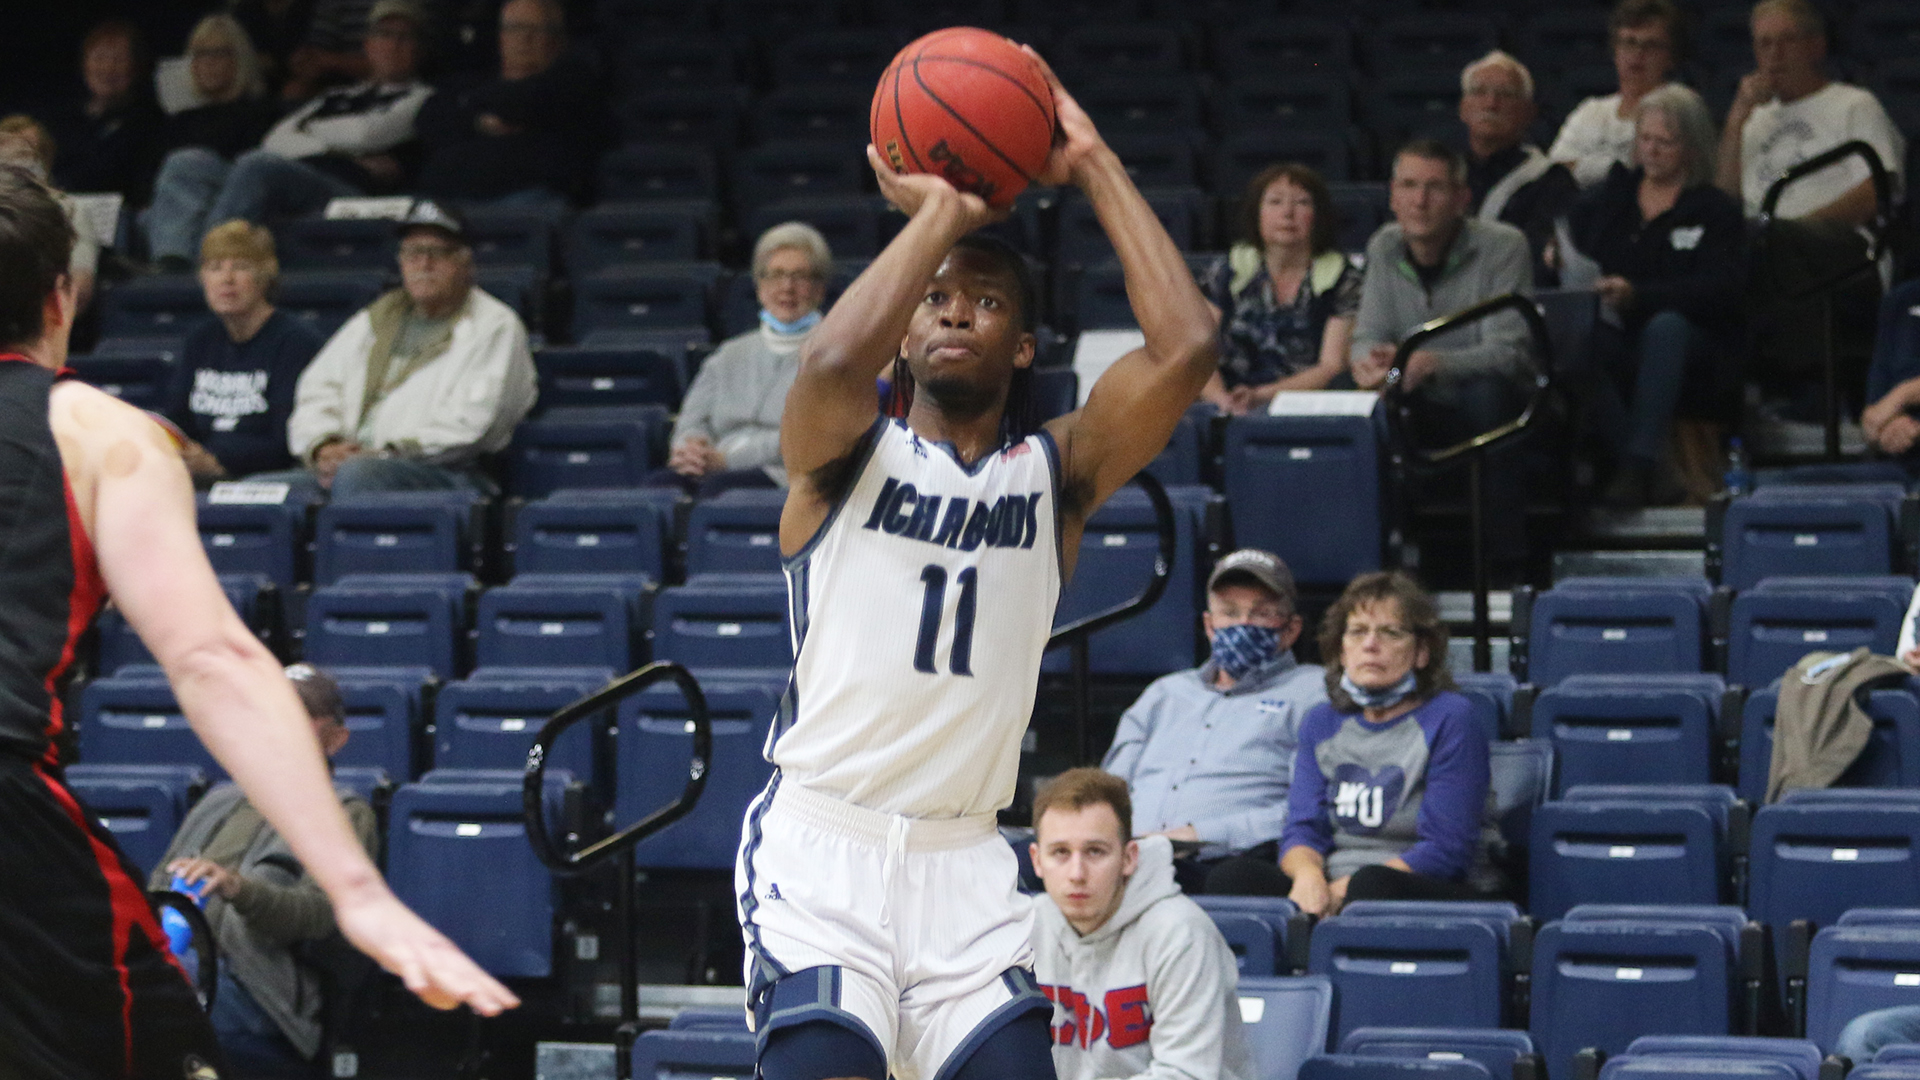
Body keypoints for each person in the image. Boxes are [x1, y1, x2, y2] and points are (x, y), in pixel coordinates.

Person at [734, 48, 1218, 1080]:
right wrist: (942, 217)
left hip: (966, 863)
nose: (955, 310)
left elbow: (1185, 349)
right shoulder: (842, 457)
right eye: (937, 299)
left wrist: (1088, 160)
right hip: (824, 848)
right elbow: (826, 363)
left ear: (1027, 345)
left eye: (986, 301)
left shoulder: (1059, 476)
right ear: (902, 336)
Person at [0, 162, 513, 1080]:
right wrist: (358, 893)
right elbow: (210, 658)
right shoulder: (103, 432)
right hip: (14, 823)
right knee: (154, 1034)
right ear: (64, 295)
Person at [149, 663, 378, 1078]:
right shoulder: (218, 800)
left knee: (151, 992)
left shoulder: (344, 812)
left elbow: (319, 917)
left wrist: (239, 889)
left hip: (260, 994)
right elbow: (158, 888)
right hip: (187, 967)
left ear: (336, 738)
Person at [1350, 140, 1536, 575]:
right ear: (1393, 196)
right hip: (1411, 396)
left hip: (1484, 394)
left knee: (1491, 399)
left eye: (1435, 188)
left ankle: (1505, 564)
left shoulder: (1504, 246)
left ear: (1461, 198)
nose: (1420, 200)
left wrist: (1428, 363)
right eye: (1410, 186)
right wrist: (1367, 363)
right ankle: (1379, 562)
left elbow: (1510, 353)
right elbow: (1367, 335)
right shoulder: (1383, 246)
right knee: (1355, 401)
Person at [144, 0, 433, 271]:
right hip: (293, 177)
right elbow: (277, 140)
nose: (393, 45)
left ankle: (210, 264)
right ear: (368, 45)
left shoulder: (423, 98)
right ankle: (173, 264)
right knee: (188, 162)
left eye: (404, 37)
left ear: (420, 50)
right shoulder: (336, 95)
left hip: (345, 190)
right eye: (384, 34)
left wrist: (309, 134)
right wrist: (332, 146)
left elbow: (365, 133)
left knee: (258, 165)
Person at [274, 199, 536, 497]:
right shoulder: (377, 317)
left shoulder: (494, 325)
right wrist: (324, 445)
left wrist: (385, 454)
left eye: (437, 253)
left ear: (465, 262)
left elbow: (473, 424)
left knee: (358, 476)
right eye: (413, 253)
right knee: (256, 494)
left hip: (449, 475)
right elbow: (319, 387)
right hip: (352, 468)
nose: (424, 264)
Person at [1103, 549, 1327, 894]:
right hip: (1125, 857)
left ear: (1291, 629)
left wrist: (1199, 833)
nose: (1243, 624)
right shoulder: (1164, 694)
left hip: (1220, 862)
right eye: (1230, 613)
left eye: (1261, 613)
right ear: (1209, 625)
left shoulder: (1314, 692)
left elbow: (1309, 810)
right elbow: (1107, 791)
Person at [1264, 571, 1490, 911]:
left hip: (1421, 884)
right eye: (1357, 632)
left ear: (1421, 653)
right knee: (1234, 878)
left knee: (1371, 884)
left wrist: (1345, 890)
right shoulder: (1320, 722)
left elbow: (1447, 849)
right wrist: (1309, 877)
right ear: (1341, 651)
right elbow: (1303, 829)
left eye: (1390, 632)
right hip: (1336, 880)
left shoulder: (1452, 717)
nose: (1370, 645)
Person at [1568, 84, 1747, 508]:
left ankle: (1636, 465)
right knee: (1576, 341)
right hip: (1615, 328)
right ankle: (1647, 463)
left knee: (1666, 328)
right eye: (1645, 139)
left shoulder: (1714, 209)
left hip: (1695, 339)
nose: (1652, 151)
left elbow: (1719, 289)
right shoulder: (1614, 198)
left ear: (1691, 145)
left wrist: (1640, 296)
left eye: (1665, 141)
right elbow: (1581, 244)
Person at [1717, 0, 1906, 388]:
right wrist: (1736, 120)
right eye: (1764, 44)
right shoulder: (1753, 120)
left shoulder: (1853, 105)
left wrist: (1796, 228)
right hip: (1761, 242)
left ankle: (1803, 388)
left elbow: (1877, 190)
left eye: (1787, 41)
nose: (1774, 55)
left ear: (1816, 46)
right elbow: (1722, 204)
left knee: (1764, 242)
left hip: (1845, 249)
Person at [1028, 768, 1255, 1080]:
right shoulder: (1023, 930)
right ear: (1037, 860)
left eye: (1095, 851)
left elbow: (1186, 1074)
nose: (1076, 873)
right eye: (1060, 853)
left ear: (1128, 857)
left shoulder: (1181, 933)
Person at [657, 222, 832, 497]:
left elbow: (812, 436)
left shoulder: (836, 354)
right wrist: (692, 448)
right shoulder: (728, 354)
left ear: (820, 288)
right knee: (660, 486)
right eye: (775, 275)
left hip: (784, 474)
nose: (787, 287)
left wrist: (727, 460)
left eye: (800, 276)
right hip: (713, 466)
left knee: (718, 492)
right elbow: (691, 420)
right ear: (759, 285)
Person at [165, 220, 325, 484]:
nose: (227, 279)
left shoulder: (296, 342)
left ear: (265, 277)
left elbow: (286, 440)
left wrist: (217, 460)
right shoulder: (201, 340)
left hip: (267, 475)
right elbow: (178, 419)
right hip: (203, 469)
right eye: (215, 268)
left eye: (241, 267)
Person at [1197, 163, 1363, 413]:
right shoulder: (1227, 270)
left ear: (1319, 216)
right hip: (1226, 401)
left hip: (1305, 406)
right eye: (1275, 202)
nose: (1287, 212)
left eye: (1302, 203)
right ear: (1257, 214)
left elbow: (1332, 366)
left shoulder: (1343, 277)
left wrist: (1259, 396)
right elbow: (1197, 349)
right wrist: (1222, 400)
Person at [412, 0, 599, 206]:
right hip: (452, 198)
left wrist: (471, 106)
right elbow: (428, 120)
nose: (524, 38)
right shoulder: (469, 84)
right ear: (501, 36)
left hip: (529, 199)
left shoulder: (571, 80)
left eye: (536, 29)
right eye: (515, 28)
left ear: (556, 40)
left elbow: (522, 103)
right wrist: (480, 122)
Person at [1457, 51, 1578, 286]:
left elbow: (1538, 261)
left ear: (1529, 112)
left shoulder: (1551, 181)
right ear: (1463, 108)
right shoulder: (1443, 176)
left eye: (1505, 94)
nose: (1491, 104)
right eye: (1480, 92)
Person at [1550, 0, 1684, 189]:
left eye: (1651, 45)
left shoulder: (1681, 111)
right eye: (1629, 42)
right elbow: (1554, 171)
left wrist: (1584, 167)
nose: (1638, 53)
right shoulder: (1590, 111)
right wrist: (1612, 169)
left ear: (1671, 57)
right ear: (1615, 50)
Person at [38, 19, 163, 201]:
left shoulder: (148, 121)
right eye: (99, 58)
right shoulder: (62, 120)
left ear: (135, 67)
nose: (108, 68)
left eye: (118, 59)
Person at [0, 116, 100, 315]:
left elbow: (79, 290)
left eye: (25, 151)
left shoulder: (72, 211)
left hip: (34, 321)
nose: (14, 159)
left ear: (44, 160)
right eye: (6, 151)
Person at [154, 15, 278, 169]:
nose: (208, 62)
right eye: (201, 53)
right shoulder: (180, 122)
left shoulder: (261, 115)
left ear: (239, 58)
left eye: (219, 53)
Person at [1860, 278, 1920, 473]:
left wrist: (1904, 394)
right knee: (1781, 486)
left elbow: (1891, 402)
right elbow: (1873, 415)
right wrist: (1886, 432)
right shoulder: (1900, 299)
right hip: (1897, 464)